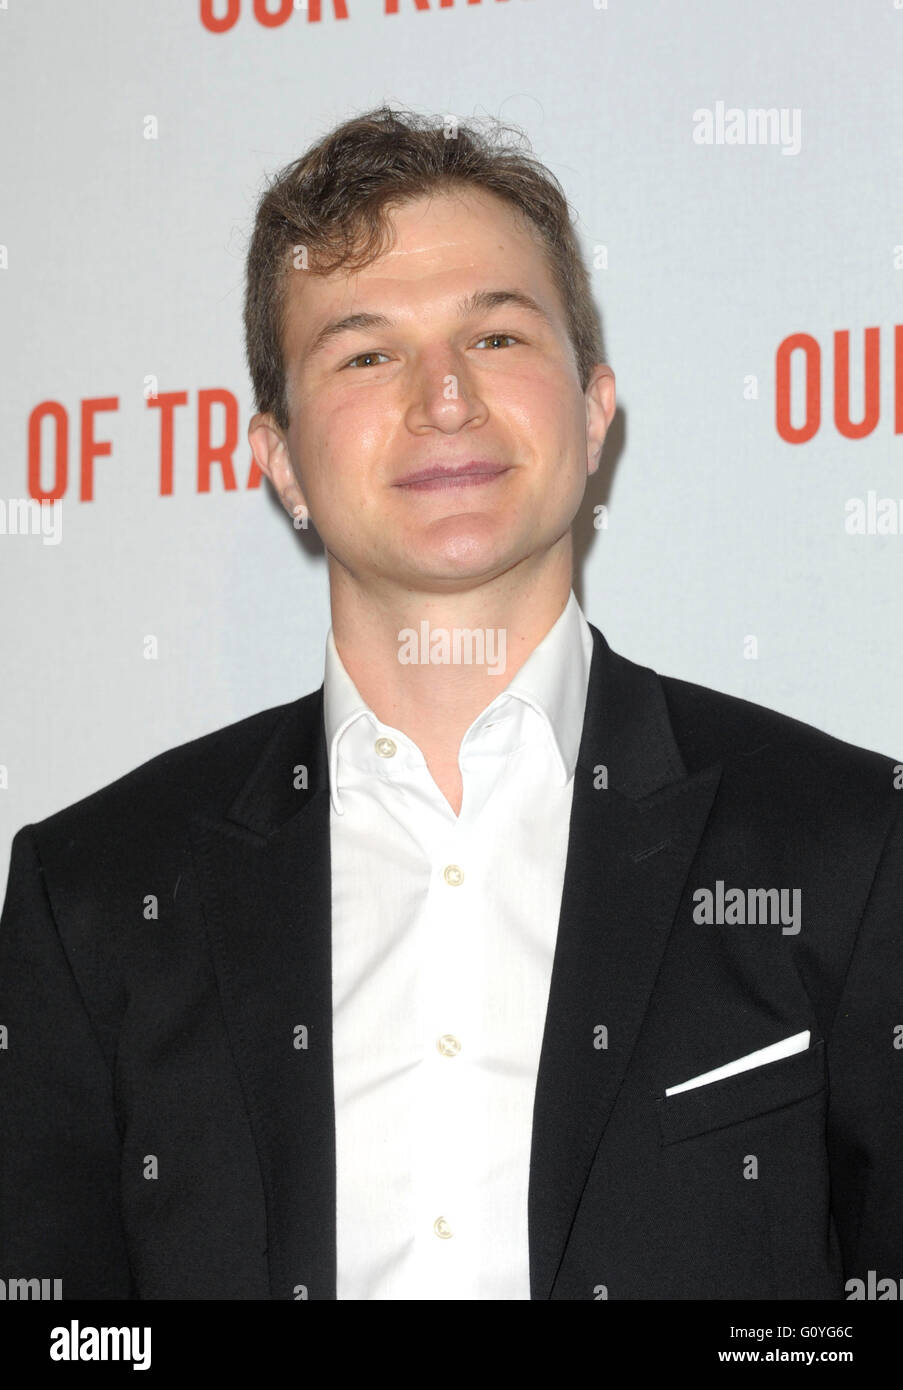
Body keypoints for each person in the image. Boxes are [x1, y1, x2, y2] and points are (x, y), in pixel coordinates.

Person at [1, 106, 900, 1301]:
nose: (444, 399)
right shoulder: (94, 897)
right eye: (366, 353)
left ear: (591, 409)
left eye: (496, 336)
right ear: (277, 460)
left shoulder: (850, 842)